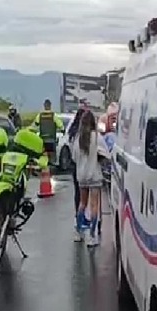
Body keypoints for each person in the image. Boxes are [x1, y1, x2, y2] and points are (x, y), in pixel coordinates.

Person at [70, 109, 102, 247]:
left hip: (81, 176)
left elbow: (74, 157)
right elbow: (105, 153)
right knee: (94, 206)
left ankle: (78, 232)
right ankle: (92, 236)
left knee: (82, 204)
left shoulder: (78, 138)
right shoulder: (97, 138)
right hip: (94, 175)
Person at [67, 100, 90, 241]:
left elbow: (73, 155)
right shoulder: (87, 135)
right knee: (92, 199)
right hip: (88, 168)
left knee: (79, 197)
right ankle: (93, 229)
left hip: (76, 168)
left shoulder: (72, 133)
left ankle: (79, 224)